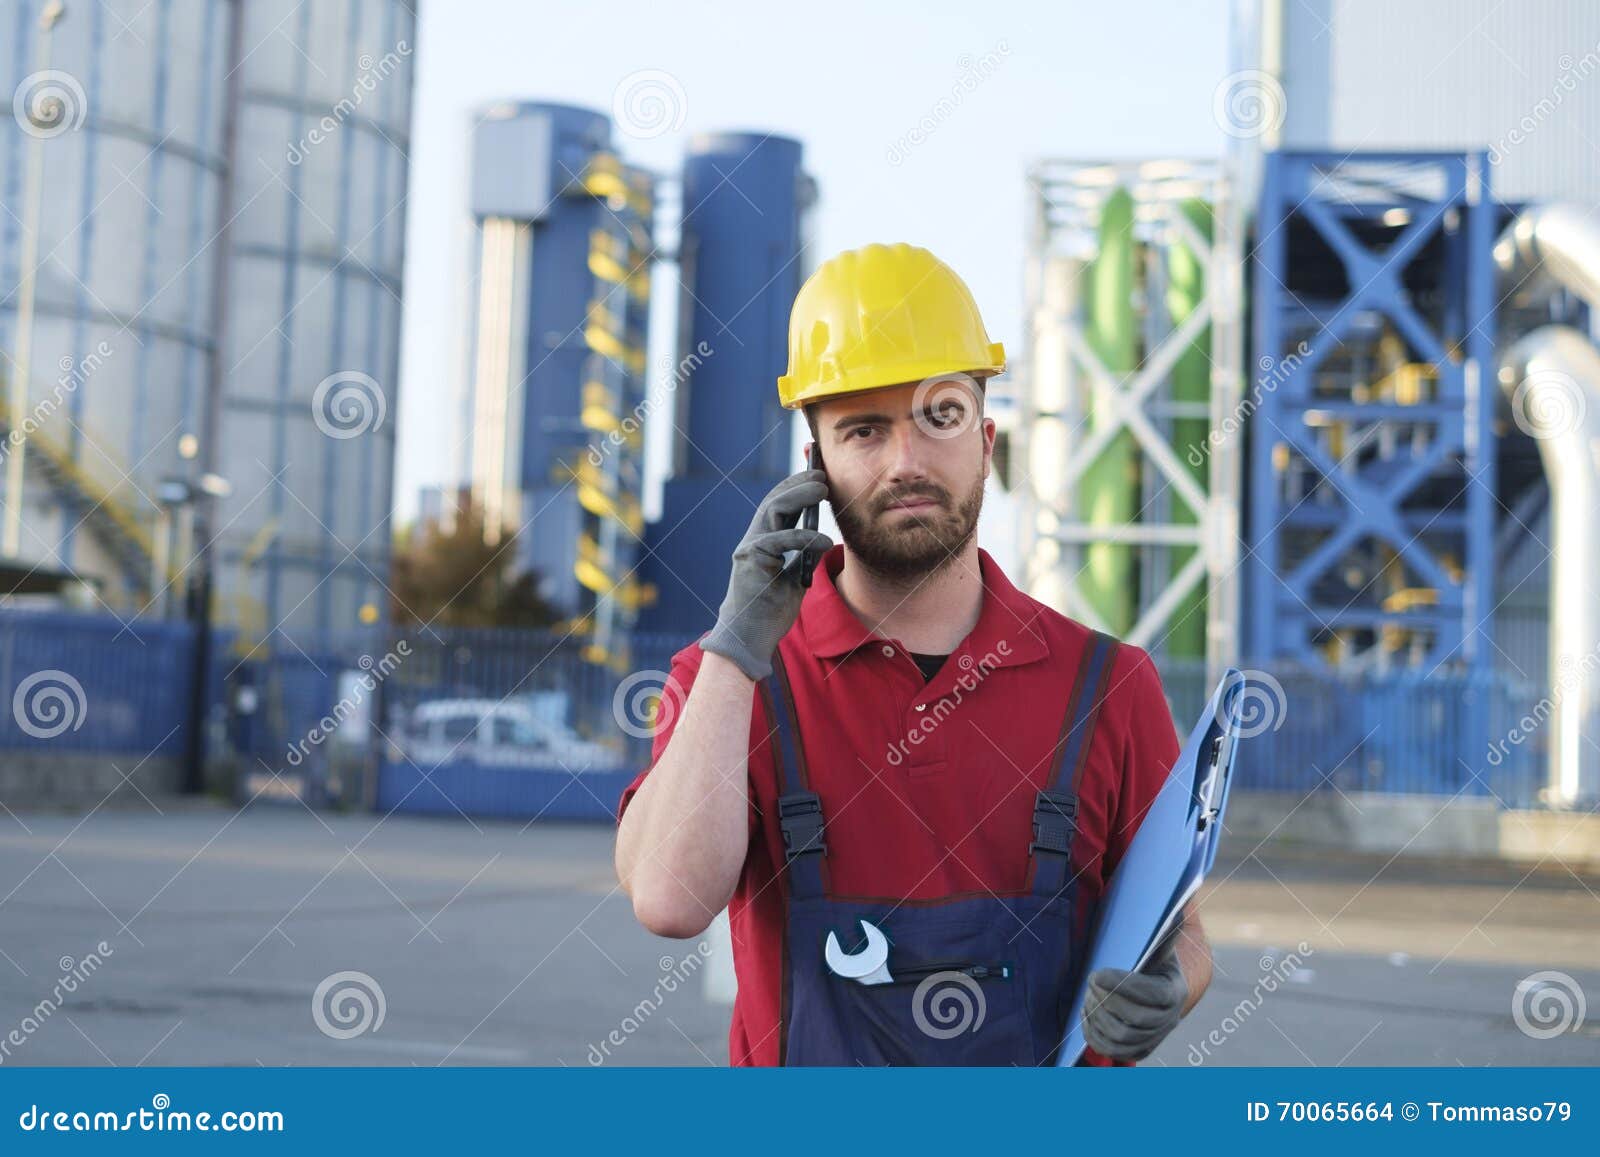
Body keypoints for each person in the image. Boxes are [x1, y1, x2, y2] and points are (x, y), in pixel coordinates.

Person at [615, 242, 1211, 1066]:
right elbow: (669, 898)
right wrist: (733, 651)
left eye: (939, 416)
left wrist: (1174, 984)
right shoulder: (732, 682)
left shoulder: (1109, 685)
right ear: (815, 466)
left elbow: (1180, 935)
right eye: (864, 429)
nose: (906, 462)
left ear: (987, 442)